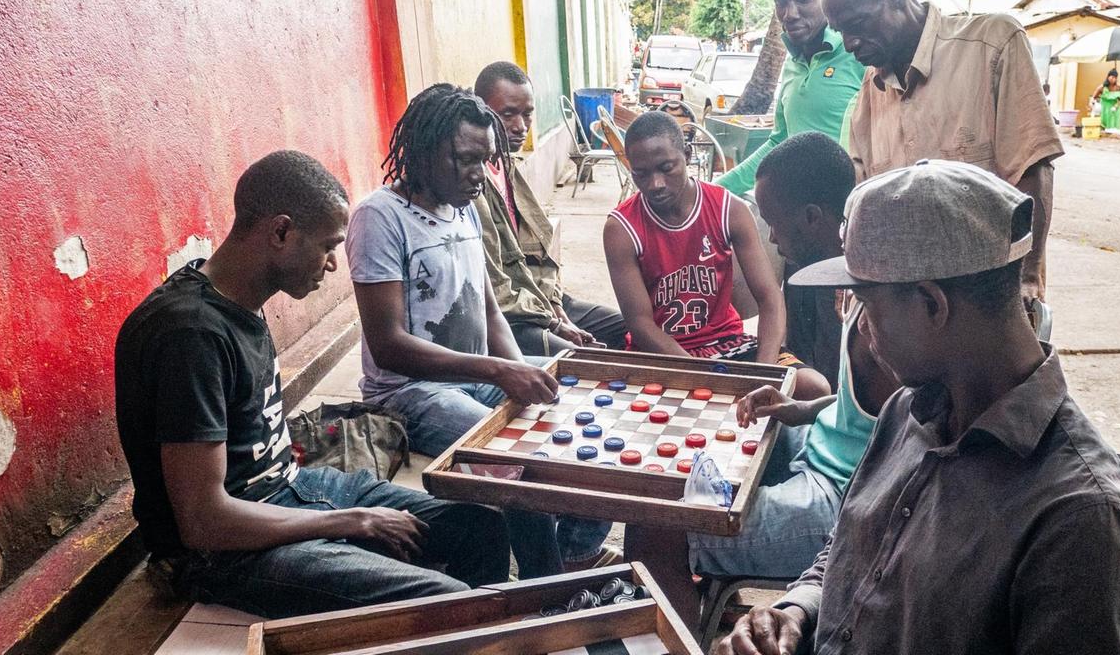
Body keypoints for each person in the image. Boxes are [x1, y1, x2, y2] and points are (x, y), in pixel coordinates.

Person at [715, 159, 1120, 655]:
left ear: (932, 305)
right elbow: (853, 546)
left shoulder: (1085, 525)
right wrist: (797, 610)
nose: (864, 333)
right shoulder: (905, 412)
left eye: (869, 307)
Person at [114, 151, 510, 619]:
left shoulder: (232, 298)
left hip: (291, 490)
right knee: (446, 602)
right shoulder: (191, 335)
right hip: (221, 553)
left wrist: (343, 517)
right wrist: (352, 521)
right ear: (281, 232)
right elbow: (204, 522)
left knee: (482, 526)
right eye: (327, 246)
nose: (331, 265)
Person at [346, 84, 615, 575]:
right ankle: (548, 589)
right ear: (425, 152)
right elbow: (388, 347)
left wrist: (516, 369)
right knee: (523, 466)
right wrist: (500, 372)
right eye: (466, 160)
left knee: (591, 418)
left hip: (478, 378)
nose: (479, 174)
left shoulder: (465, 205)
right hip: (412, 393)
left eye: (486, 160)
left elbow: (490, 308)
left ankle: (574, 554)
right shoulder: (378, 217)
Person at [632, 132, 898, 625]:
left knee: (653, 528)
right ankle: (707, 589)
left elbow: (907, 434)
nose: (771, 238)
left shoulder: (881, 320)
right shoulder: (854, 280)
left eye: (774, 223)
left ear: (813, 219)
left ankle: (683, 624)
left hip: (835, 500)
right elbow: (868, 408)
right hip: (818, 449)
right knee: (715, 446)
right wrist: (803, 410)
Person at [823, 0, 1063, 304]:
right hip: (907, 307)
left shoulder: (992, 45)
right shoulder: (872, 89)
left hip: (988, 303)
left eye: (857, 24)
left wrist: (1028, 277)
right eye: (840, 30)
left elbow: (1033, 169)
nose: (849, 42)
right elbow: (862, 196)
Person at [603, 111, 829, 399]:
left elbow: (770, 297)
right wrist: (704, 375)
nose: (655, 184)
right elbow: (641, 324)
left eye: (666, 168)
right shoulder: (621, 229)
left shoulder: (728, 209)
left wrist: (764, 372)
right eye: (641, 174)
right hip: (661, 355)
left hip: (728, 344)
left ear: (686, 154)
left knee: (815, 388)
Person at [472, 61, 627, 356]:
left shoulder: (507, 164)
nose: (521, 126)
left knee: (625, 328)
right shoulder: (472, 182)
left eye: (527, 114)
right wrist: (552, 322)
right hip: (510, 317)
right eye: (507, 115)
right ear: (481, 110)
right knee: (583, 356)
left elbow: (540, 253)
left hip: (540, 299)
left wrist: (555, 305)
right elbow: (496, 290)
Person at [714, 0, 865, 197]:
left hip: (851, 209)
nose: (790, 14)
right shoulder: (792, 64)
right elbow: (779, 142)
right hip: (804, 212)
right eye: (781, 3)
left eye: (803, 0)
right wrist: (716, 189)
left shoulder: (859, 56)